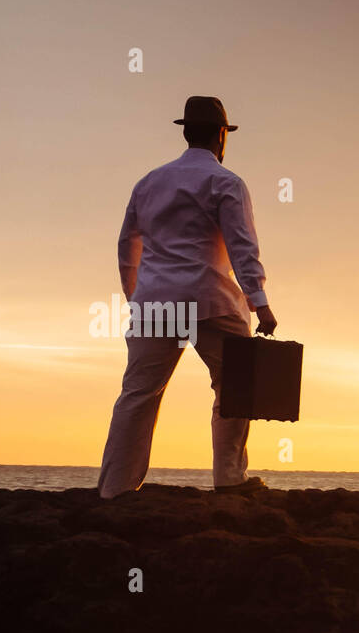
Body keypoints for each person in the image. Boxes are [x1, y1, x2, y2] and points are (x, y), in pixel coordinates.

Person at [97, 96, 278, 498]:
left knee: (139, 392)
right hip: (210, 297)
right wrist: (259, 301)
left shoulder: (148, 182)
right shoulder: (226, 182)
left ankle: (115, 489)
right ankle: (230, 478)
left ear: (185, 131)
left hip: (156, 301)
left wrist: (136, 296)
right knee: (236, 384)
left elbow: (128, 246)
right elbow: (242, 245)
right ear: (221, 135)